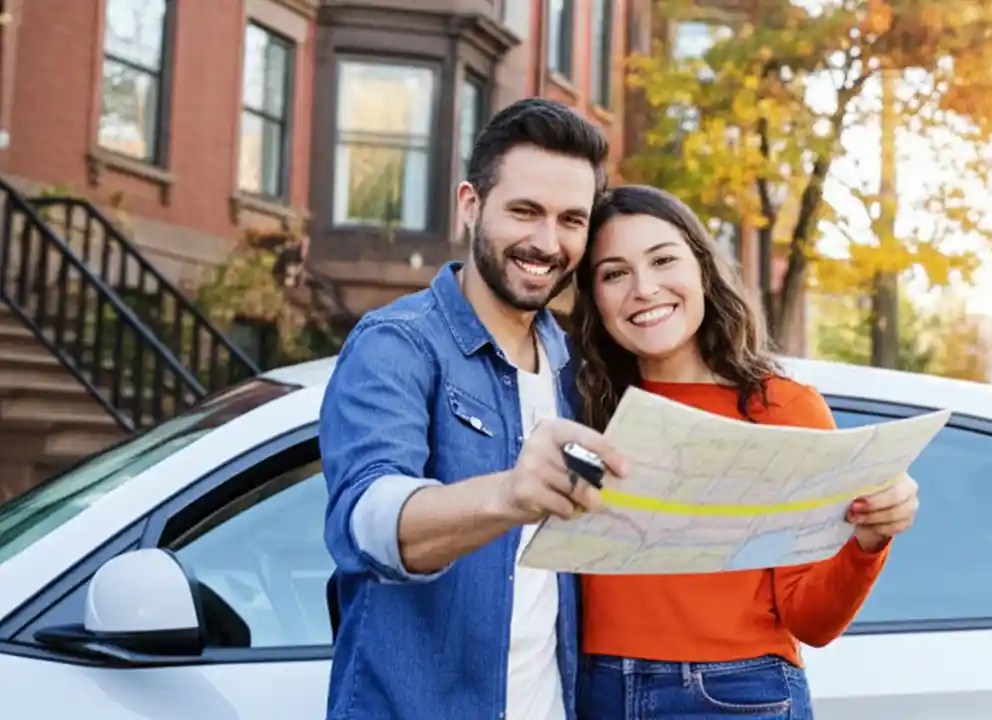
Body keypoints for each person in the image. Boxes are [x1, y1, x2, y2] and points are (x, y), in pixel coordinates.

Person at [318, 98, 628, 720]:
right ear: (470, 205)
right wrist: (512, 494)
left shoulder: (578, 369)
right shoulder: (397, 345)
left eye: (571, 219)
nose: (547, 242)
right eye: (524, 211)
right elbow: (368, 519)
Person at [569, 184, 921, 719]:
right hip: (591, 692)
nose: (643, 288)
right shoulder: (580, 405)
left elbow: (812, 622)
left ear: (703, 269)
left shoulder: (782, 408)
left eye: (663, 260)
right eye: (614, 273)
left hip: (737, 695)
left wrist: (868, 541)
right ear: (594, 297)